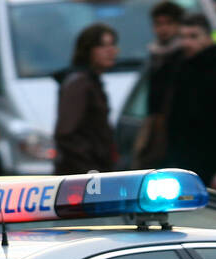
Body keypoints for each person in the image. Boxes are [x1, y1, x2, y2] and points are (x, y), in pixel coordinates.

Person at [162, 13, 216, 190]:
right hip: (183, 163)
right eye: (183, 37)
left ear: (207, 38)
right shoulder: (180, 67)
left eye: (193, 36)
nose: (187, 43)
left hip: (213, 163)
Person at [54, 23, 119, 174]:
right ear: (88, 50)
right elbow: (66, 133)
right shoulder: (79, 84)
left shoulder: (92, 82)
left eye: (113, 45)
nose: (111, 51)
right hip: (81, 176)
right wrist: (89, 169)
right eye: (103, 46)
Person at [135, 1, 184, 167]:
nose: (163, 29)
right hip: (158, 131)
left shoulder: (185, 57)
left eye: (169, 23)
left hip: (179, 133)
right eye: (158, 24)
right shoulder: (155, 56)